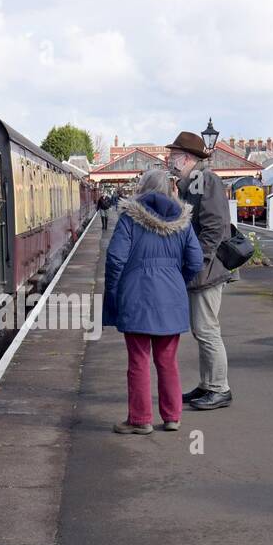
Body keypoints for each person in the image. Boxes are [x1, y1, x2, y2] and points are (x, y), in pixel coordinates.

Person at [104, 169, 203, 434]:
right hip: (171, 299)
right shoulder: (183, 221)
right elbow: (195, 260)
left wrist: (115, 290)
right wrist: (176, 281)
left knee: (138, 361)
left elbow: (115, 259)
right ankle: (172, 417)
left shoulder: (129, 219)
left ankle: (140, 420)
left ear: (143, 188)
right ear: (169, 189)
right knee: (167, 360)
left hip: (135, 297)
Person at [167, 132, 232, 410]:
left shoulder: (206, 181)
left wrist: (197, 260)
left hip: (207, 269)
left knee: (207, 330)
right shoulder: (192, 183)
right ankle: (208, 385)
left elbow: (215, 226)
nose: (169, 160)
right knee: (202, 330)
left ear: (187, 158)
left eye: (173, 156)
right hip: (202, 268)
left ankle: (219, 388)